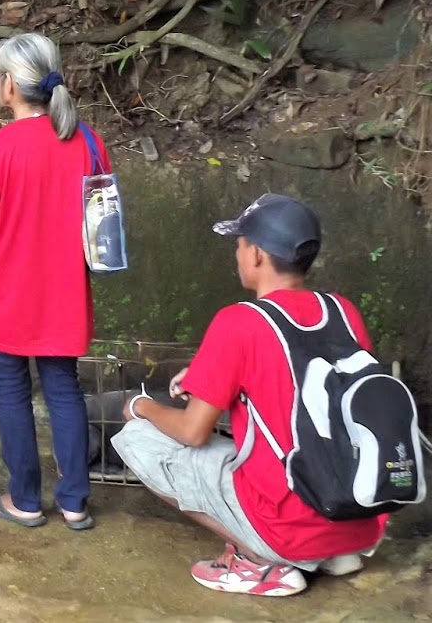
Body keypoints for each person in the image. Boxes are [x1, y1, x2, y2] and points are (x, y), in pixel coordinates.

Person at [113, 195, 390, 597]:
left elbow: (194, 432)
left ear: (257, 254)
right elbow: (312, 379)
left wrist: (141, 407)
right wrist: (211, 373)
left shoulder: (238, 322)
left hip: (290, 526)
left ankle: (260, 561)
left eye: (240, 244)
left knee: (138, 438)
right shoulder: (343, 311)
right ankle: (334, 553)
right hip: (359, 516)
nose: (237, 253)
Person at [0, 31, 105, 532]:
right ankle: (76, 502)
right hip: (65, 293)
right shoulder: (86, 140)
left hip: (7, 296)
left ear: (10, 86)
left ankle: (25, 501)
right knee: (64, 389)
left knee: (12, 395)